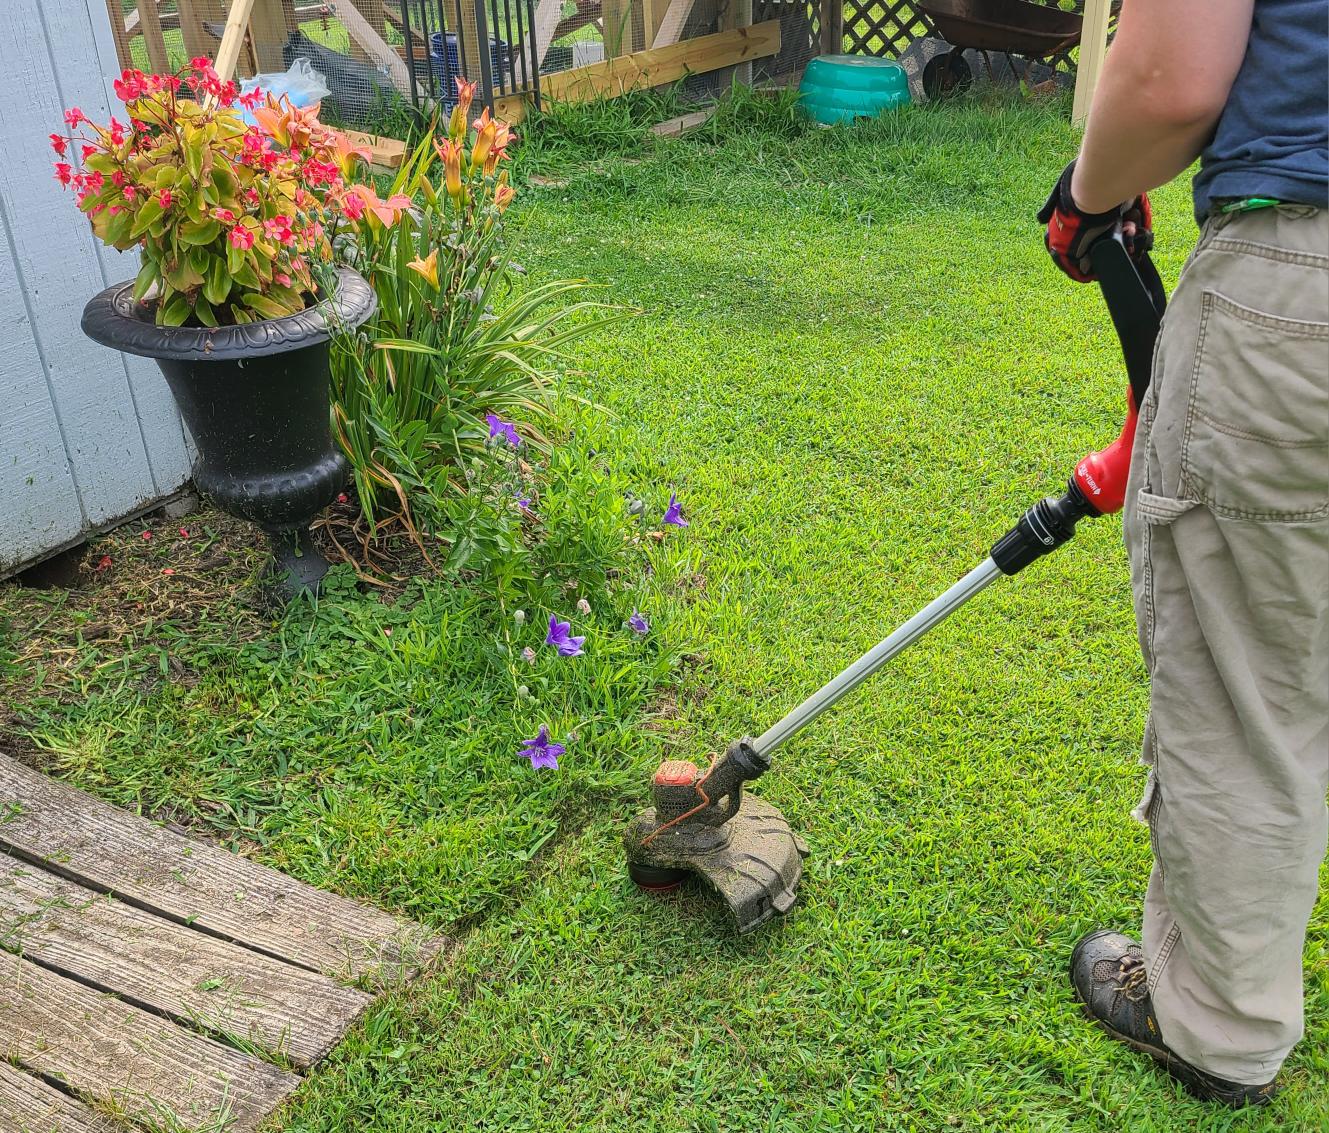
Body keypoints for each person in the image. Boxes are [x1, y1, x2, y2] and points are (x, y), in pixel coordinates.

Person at [1037, 0, 1328, 1109]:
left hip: (1303, 265)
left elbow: (1170, 78)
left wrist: (1087, 197)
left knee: (1248, 678)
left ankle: (1218, 1020)